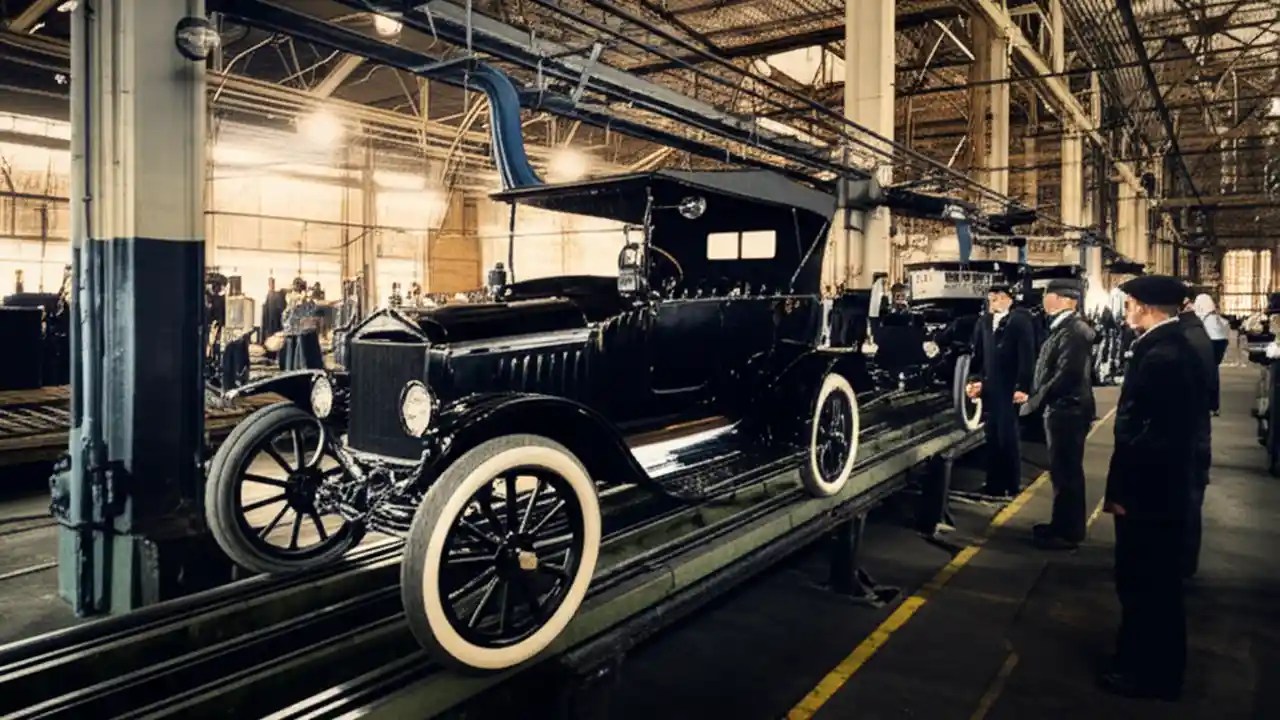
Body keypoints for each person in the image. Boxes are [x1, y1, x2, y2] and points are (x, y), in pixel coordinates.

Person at [1100, 274, 1207, 701]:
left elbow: (1152, 436)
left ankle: (1151, 675)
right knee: (1150, 585)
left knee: (1148, 584)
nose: (1126, 311)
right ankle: (1145, 665)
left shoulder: (1164, 355)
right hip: (1163, 490)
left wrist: (1124, 493)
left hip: (1152, 495)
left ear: (1144, 307)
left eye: (1129, 304)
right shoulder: (1171, 346)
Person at [1023, 279, 1096, 549]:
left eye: (1049, 295)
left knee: (1066, 471)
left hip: (1068, 409)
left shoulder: (1074, 332)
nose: (1045, 300)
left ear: (1068, 300)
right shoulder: (1064, 329)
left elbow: (1066, 375)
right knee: (1062, 471)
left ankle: (1068, 533)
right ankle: (1062, 524)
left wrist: (1034, 402)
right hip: (1064, 408)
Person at [965, 283, 1037, 499]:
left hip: (1009, 388)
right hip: (990, 388)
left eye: (997, 298)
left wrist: (1023, 387)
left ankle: (1011, 484)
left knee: (1008, 437)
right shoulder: (984, 322)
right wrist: (974, 380)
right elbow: (977, 355)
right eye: (990, 298)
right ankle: (994, 483)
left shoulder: (1020, 321)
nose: (993, 302)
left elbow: (1027, 355)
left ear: (1009, 299)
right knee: (992, 436)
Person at [1179, 294, 1216, 579]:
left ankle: (1181, 565)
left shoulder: (1186, 338)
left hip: (1188, 436)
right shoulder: (1195, 333)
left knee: (1186, 502)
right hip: (1195, 431)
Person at [1193, 294, 1230, 414]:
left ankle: (1206, 404)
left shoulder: (1200, 317)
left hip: (1206, 345)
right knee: (1214, 375)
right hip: (1219, 342)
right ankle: (1214, 406)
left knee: (1203, 376)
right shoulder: (1216, 317)